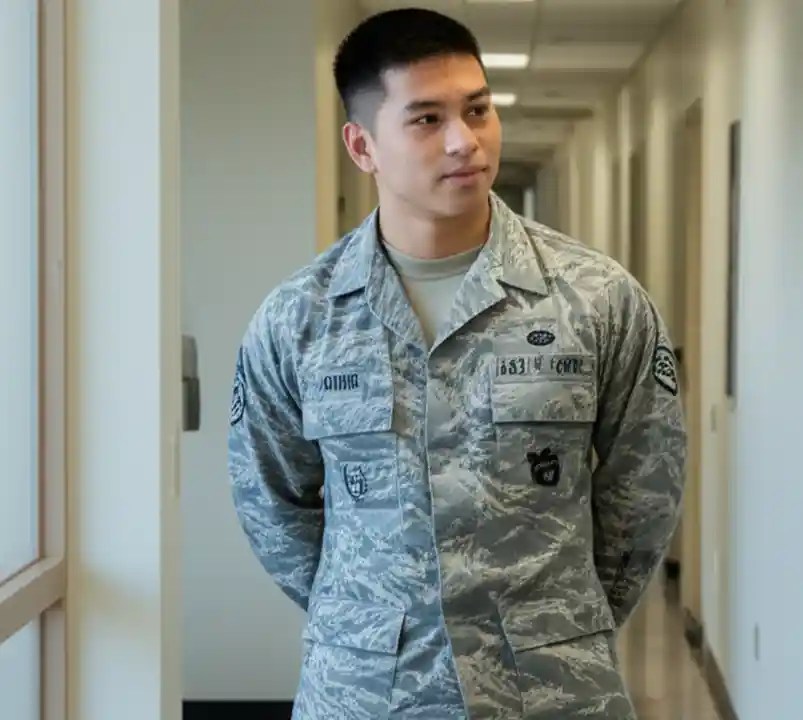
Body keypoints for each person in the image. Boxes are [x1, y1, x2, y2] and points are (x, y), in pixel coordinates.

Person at [226, 8, 687, 719]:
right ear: (362, 146)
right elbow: (272, 501)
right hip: (367, 693)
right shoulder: (300, 319)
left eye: (477, 110)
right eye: (426, 119)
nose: (464, 141)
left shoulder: (596, 298)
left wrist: (556, 620)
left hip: (553, 692)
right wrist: (373, 611)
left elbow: (644, 490)